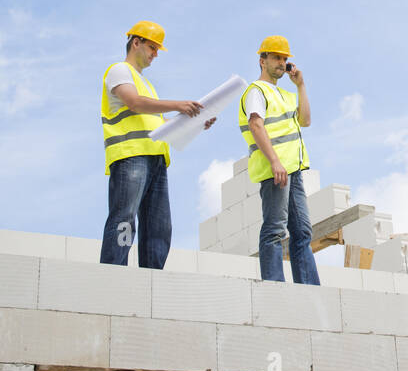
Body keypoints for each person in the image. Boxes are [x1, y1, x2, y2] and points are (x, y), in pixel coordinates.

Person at [100, 20, 215, 268]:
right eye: (152, 48)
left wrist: (196, 122)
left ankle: (152, 279)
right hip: (131, 156)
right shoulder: (119, 71)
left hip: (155, 161)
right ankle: (112, 274)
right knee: (124, 219)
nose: (155, 55)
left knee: (159, 227)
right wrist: (178, 104)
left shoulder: (147, 86)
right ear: (136, 42)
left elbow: (161, 124)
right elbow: (134, 102)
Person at [238, 36, 320, 284]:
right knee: (275, 229)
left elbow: (305, 121)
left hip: (293, 171)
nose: (282, 63)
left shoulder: (285, 94)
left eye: (284, 59)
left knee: (303, 231)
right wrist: (274, 161)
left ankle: (309, 288)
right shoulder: (256, 91)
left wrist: (301, 86)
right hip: (275, 170)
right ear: (262, 60)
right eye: (276, 58)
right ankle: (273, 286)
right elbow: (255, 124)